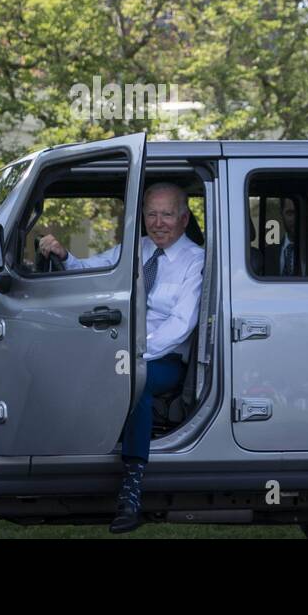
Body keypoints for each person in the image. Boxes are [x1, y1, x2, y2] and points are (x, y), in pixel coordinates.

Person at [37, 182, 203, 534]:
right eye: (151, 214)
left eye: (167, 214)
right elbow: (88, 270)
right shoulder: (135, 249)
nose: (158, 222)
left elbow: (181, 324)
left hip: (166, 359)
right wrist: (63, 256)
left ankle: (132, 487)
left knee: (135, 381)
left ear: (184, 218)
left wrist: (134, 356)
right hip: (122, 350)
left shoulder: (196, 260)